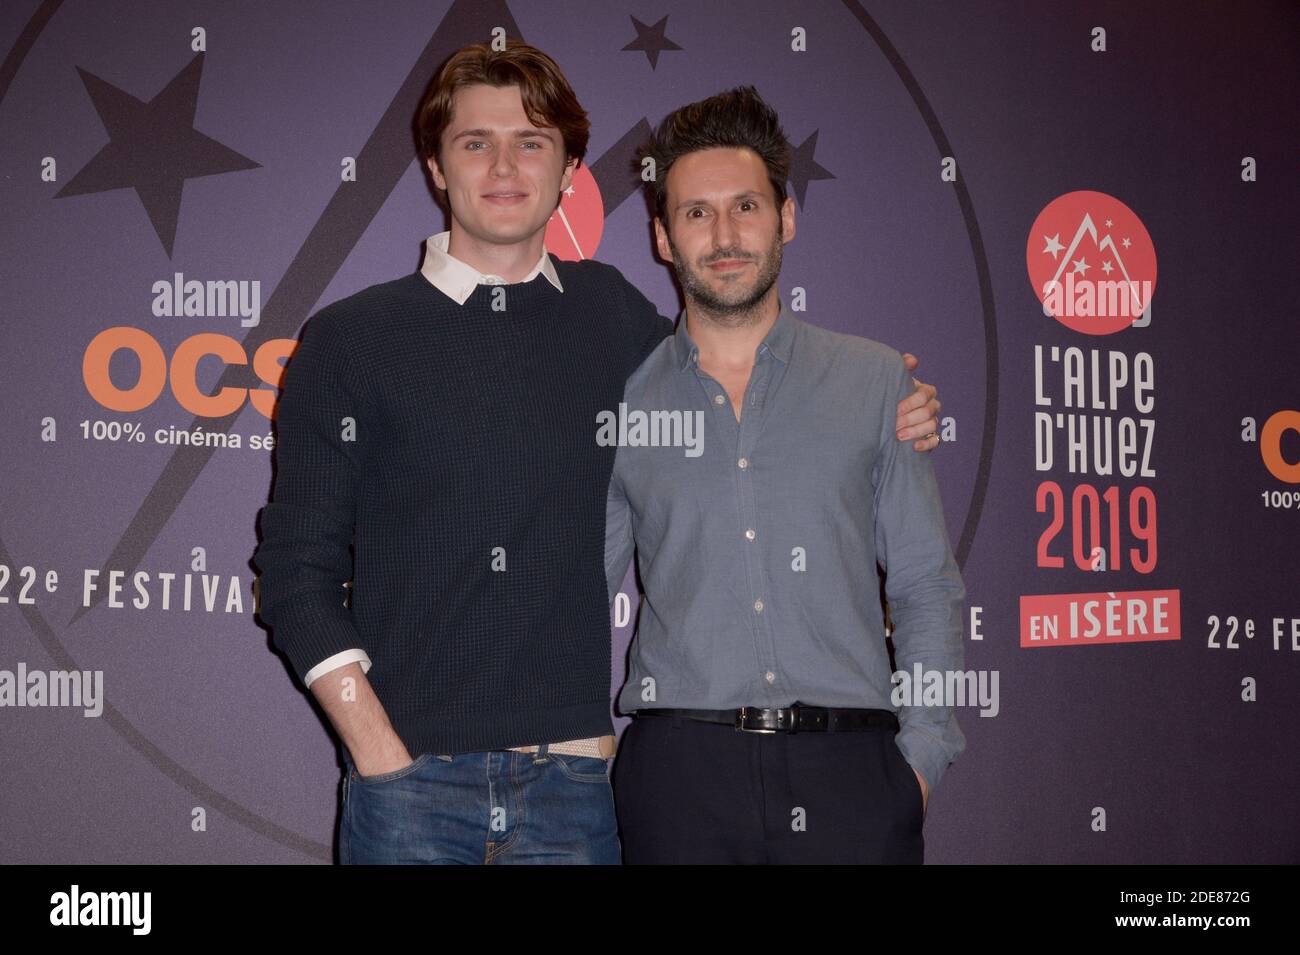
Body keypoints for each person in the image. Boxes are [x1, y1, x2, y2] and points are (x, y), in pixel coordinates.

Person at [253, 40, 942, 865]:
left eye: (533, 142)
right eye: (476, 142)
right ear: (437, 166)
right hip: (410, 790)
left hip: (577, 796)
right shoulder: (350, 339)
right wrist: (377, 749)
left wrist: (886, 394)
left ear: (570, 167)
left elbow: (733, 371)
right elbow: (293, 570)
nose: (504, 164)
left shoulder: (616, 322)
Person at [605, 86, 966, 864]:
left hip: (856, 779)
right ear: (664, 237)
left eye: (746, 206)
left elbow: (925, 585)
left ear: (787, 218)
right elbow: (580, 598)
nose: (724, 234)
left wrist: (922, 756)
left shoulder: (876, 383)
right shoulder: (623, 400)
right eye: (696, 213)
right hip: (679, 780)